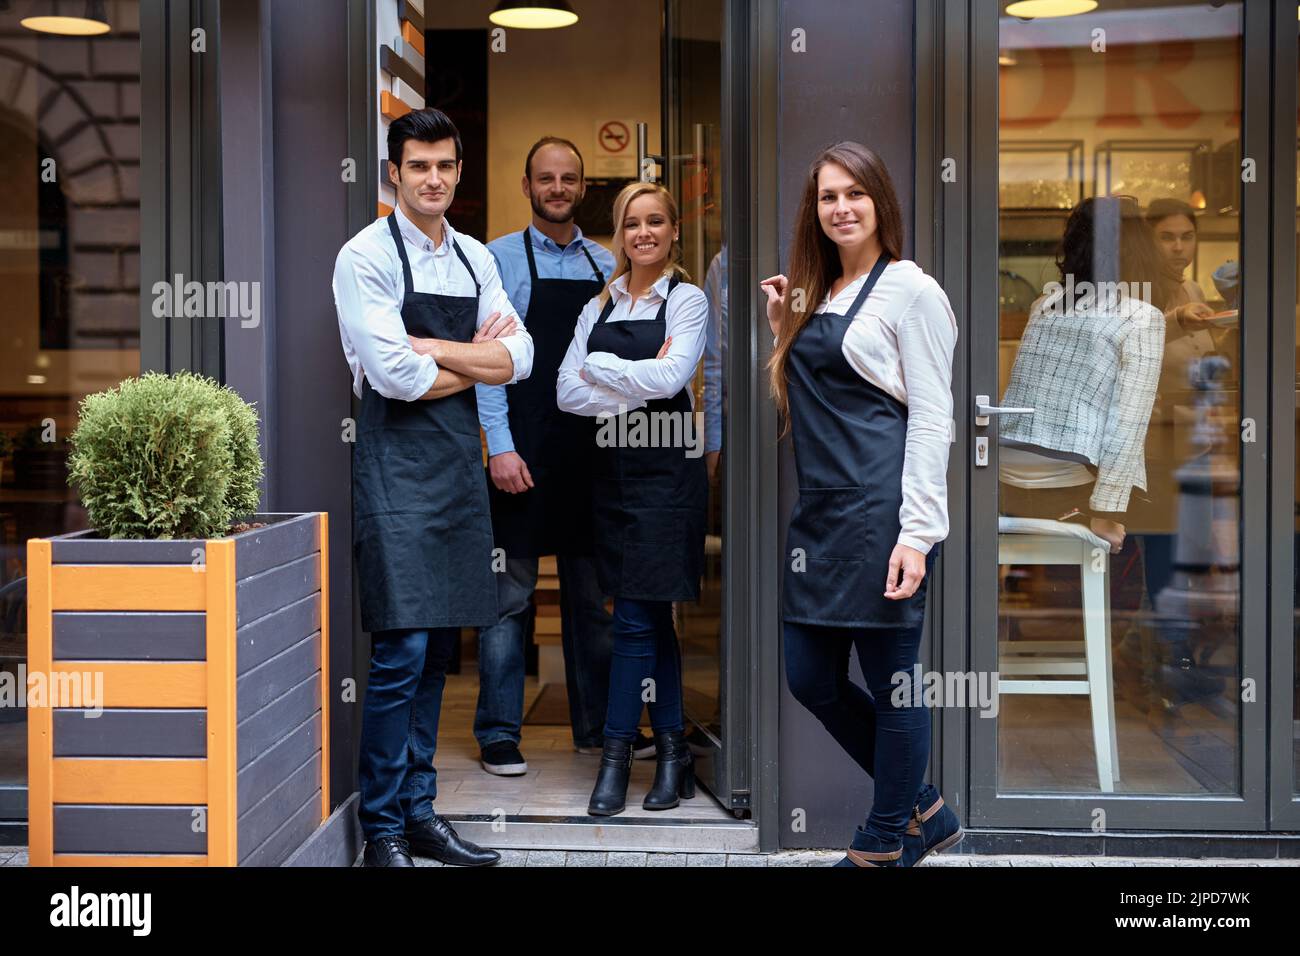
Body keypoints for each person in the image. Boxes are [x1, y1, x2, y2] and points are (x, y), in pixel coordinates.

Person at [332, 108, 534, 867]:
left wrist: (436, 349)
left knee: (441, 644)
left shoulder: (476, 258)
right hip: (394, 471)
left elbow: (522, 357)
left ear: (459, 170)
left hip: (454, 474)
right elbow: (395, 377)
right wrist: (471, 359)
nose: (434, 178)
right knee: (402, 647)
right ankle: (382, 826)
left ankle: (421, 812)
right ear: (394, 174)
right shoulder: (364, 256)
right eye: (419, 166)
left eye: (445, 165)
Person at [761, 142, 961, 867]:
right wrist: (783, 329)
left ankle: (880, 841)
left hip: (882, 513)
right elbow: (810, 400)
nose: (841, 208)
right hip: (821, 513)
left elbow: (933, 417)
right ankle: (925, 807)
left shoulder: (911, 289)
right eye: (828, 196)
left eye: (855, 194)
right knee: (810, 679)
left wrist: (918, 534)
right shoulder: (820, 294)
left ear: (880, 202)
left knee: (893, 684)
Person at [474, 137, 657, 776]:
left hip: (590, 459)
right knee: (508, 601)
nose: (558, 188)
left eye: (569, 179)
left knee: (593, 603)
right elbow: (491, 365)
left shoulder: (607, 263)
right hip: (521, 453)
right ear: (527, 186)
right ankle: (499, 733)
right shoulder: (496, 259)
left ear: (583, 187)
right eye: (546, 178)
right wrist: (500, 447)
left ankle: (598, 729)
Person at [557, 181, 709, 816]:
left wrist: (601, 370)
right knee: (646, 617)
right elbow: (565, 391)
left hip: (668, 480)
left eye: (655, 222)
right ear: (619, 235)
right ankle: (673, 753)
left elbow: (672, 378)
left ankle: (616, 757)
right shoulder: (599, 304)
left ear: (673, 231)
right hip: (611, 479)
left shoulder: (688, 299)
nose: (643, 233)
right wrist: (632, 385)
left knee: (632, 620)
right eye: (631, 223)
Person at [998, 196, 1169, 554]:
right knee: (1149, 520)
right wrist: (1106, 513)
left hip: (1005, 471)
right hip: (1070, 478)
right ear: (1142, 249)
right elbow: (1127, 423)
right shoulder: (1142, 317)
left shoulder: (1044, 304)